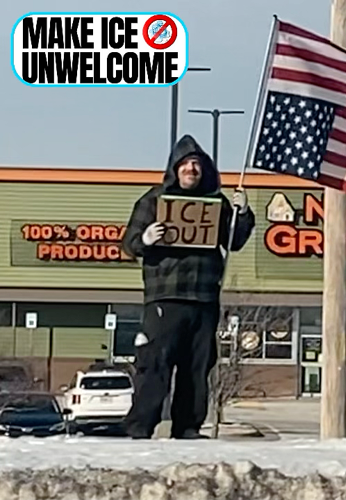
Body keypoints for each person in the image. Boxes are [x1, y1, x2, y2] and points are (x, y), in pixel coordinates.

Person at [121, 134, 256, 440]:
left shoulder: (216, 204)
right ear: (174, 169)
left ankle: (188, 427)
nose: (191, 169)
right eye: (185, 164)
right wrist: (144, 240)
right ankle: (140, 426)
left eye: (196, 164)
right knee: (155, 364)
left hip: (204, 299)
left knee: (197, 367)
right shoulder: (153, 201)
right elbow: (128, 243)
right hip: (164, 298)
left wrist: (244, 215)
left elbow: (234, 241)